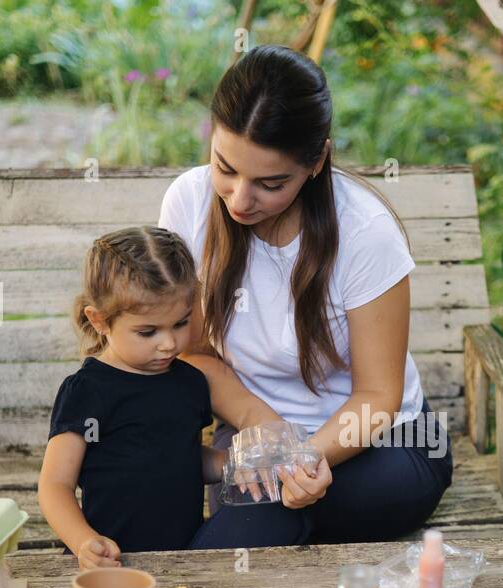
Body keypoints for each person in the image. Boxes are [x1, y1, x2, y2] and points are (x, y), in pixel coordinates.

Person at [162, 44, 453, 550]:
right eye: (225, 168)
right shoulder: (187, 203)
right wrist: (270, 436)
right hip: (253, 429)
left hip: (380, 443)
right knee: (255, 493)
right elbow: (193, 353)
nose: (239, 199)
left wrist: (303, 458)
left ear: (316, 160)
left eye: (270, 183)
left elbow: (378, 397)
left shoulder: (364, 232)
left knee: (268, 500)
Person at [37, 225, 325, 570]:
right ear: (99, 321)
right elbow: (55, 484)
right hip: (114, 558)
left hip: (187, 551)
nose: (169, 343)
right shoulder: (87, 391)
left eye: (180, 323)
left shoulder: (188, 381)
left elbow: (182, 457)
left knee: (282, 514)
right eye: (148, 331)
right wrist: (84, 541)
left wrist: (234, 463)